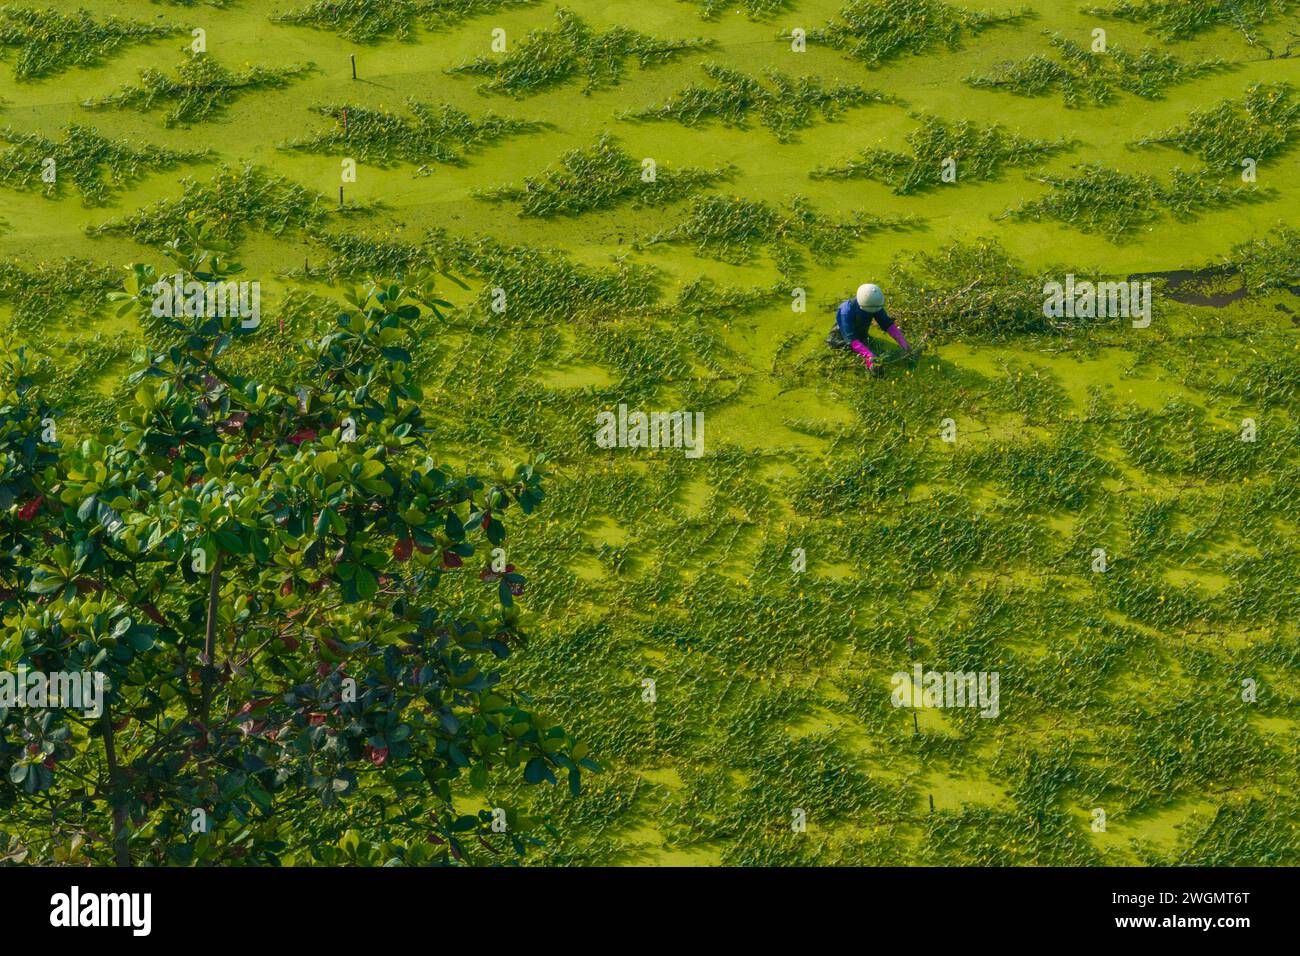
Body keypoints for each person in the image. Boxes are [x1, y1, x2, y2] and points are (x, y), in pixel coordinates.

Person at [827, 283, 911, 373]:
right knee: (876, 365)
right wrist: (869, 356)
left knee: (881, 354)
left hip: (862, 336)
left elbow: (887, 323)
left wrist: (904, 344)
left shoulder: (874, 304)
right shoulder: (846, 310)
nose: (874, 312)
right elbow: (850, 338)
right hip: (841, 338)